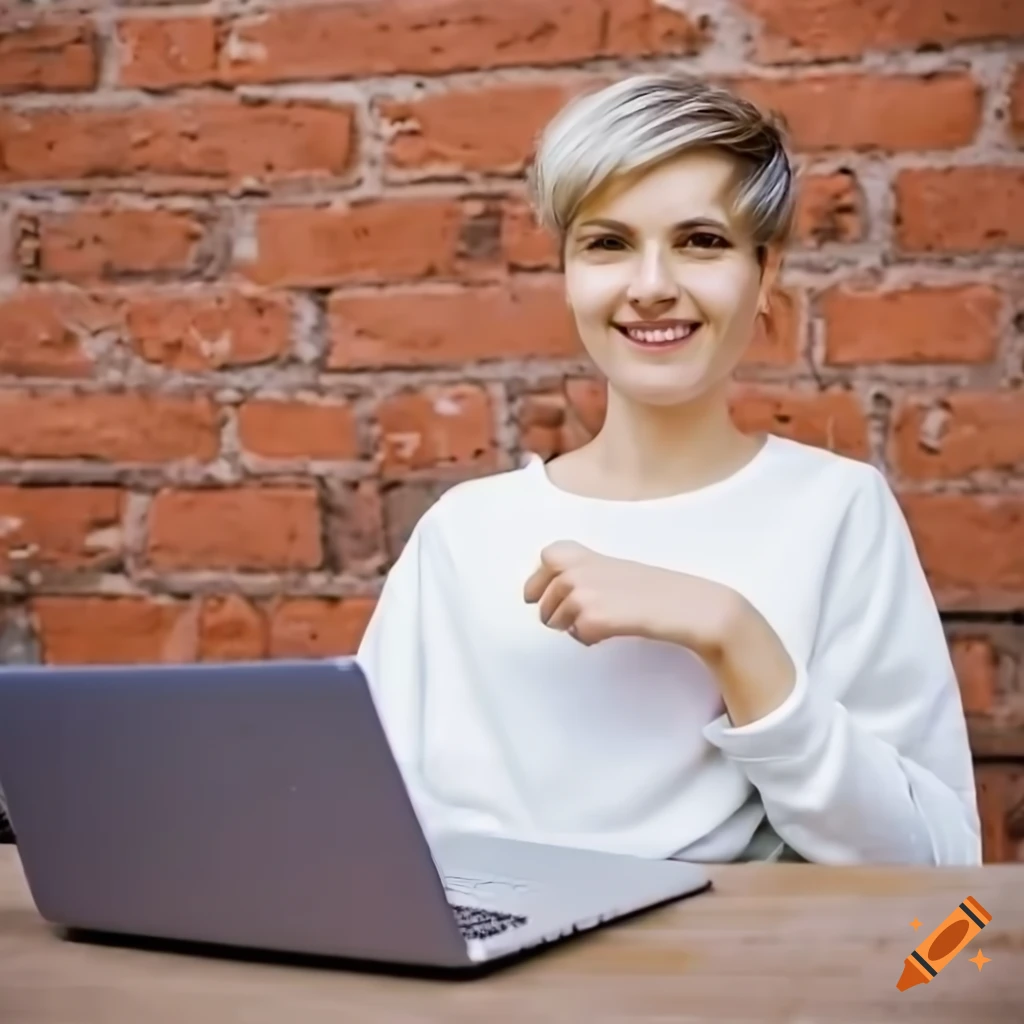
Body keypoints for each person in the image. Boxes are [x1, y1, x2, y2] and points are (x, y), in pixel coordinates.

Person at [355, 74, 982, 866]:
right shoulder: (464, 532)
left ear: (767, 274)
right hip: (478, 973)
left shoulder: (838, 511)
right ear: (569, 274)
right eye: (608, 243)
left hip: (723, 980)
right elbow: (359, 824)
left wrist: (733, 634)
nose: (651, 288)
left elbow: (937, 868)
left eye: (702, 241)